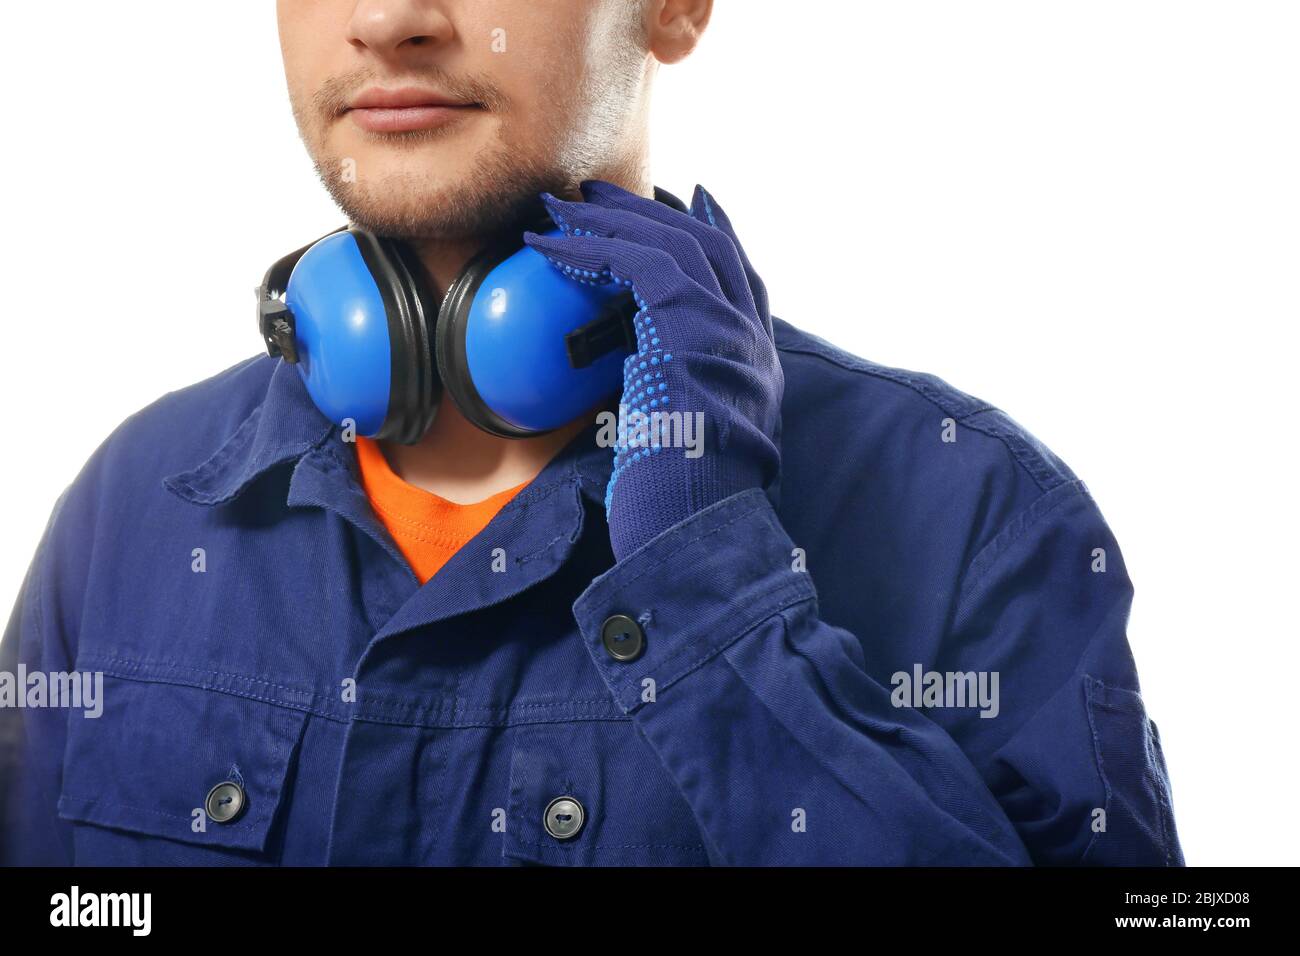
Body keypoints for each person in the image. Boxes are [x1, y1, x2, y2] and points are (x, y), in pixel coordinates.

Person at [0, 0, 1181, 866]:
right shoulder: (135, 505)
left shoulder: (976, 516)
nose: (386, 19)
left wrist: (708, 583)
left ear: (673, 9)